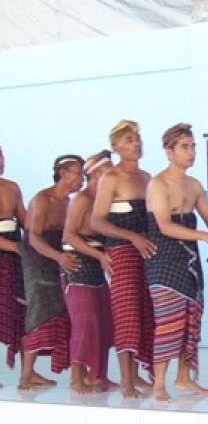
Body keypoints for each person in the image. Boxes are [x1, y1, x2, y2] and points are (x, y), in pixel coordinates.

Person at [145, 123, 208, 402]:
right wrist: (206, 237)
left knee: (191, 318)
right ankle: (159, 383)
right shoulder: (158, 184)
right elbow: (165, 226)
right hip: (163, 260)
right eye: (184, 147)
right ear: (169, 152)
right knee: (168, 320)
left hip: (190, 261)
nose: (191, 152)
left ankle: (184, 378)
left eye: (193, 146)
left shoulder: (194, 185)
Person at [91, 119, 157, 398]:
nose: (136, 144)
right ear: (115, 146)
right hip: (122, 250)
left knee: (146, 313)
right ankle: (126, 381)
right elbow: (97, 221)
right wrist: (131, 237)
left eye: (137, 138)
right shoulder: (111, 178)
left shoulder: (147, 178)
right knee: (126, 314)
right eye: (129, 139)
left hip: (149, 252)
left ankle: (139, 373)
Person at [18, 155, 85, 390]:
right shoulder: (42, 200)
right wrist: (58, 257)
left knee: (63, 313)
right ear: (63, 173)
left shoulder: (69, 202)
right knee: (39, 314)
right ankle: (26, 375)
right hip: (37, 258)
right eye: (78, 173)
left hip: (58, 257)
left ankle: (39, 373)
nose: (82, 179)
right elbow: (33, 237)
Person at [61, 150, 117, 394]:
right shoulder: (82, 199)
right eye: (107, 172)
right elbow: (69, 235)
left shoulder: (106, 199)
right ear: (94, 175)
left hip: (98, 262)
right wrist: (100, 255)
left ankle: (96, 375)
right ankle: (76, 378)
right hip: (79, 262)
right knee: (84, 323)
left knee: (103, 322)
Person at [0, 144, 27, 381]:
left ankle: (27, 373)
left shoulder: (11, 187)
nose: (2, 159)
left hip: (15, 254)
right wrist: (16, 247)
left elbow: (26, 221)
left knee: (21, 310)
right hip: (6, 250)